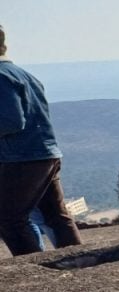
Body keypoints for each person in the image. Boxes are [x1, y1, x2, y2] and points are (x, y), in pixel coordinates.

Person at [0, 24, 83, 256]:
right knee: (55, 215)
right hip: (46, 153)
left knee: (9, 218)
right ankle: (80, 261)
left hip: (20, 158)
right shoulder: (25, 75)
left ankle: (33, 268)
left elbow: (11, 121)